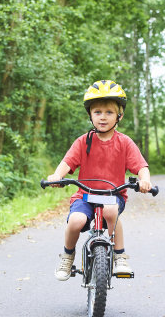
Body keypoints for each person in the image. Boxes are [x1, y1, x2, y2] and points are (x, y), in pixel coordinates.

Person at [47, 80, 152, 281]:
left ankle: (120, 256)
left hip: (113, 195)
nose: (103, 117)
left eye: (109, 112)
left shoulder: (124, 142)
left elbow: (141, 167)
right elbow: (67, 163)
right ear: (90, 115)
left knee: (111, 210)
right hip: (85, 196)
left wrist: (145, 180)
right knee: (76, 221)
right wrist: (57, 176)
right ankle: (68, 256)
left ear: (119, 115)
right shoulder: (83, 141)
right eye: (97, 112)